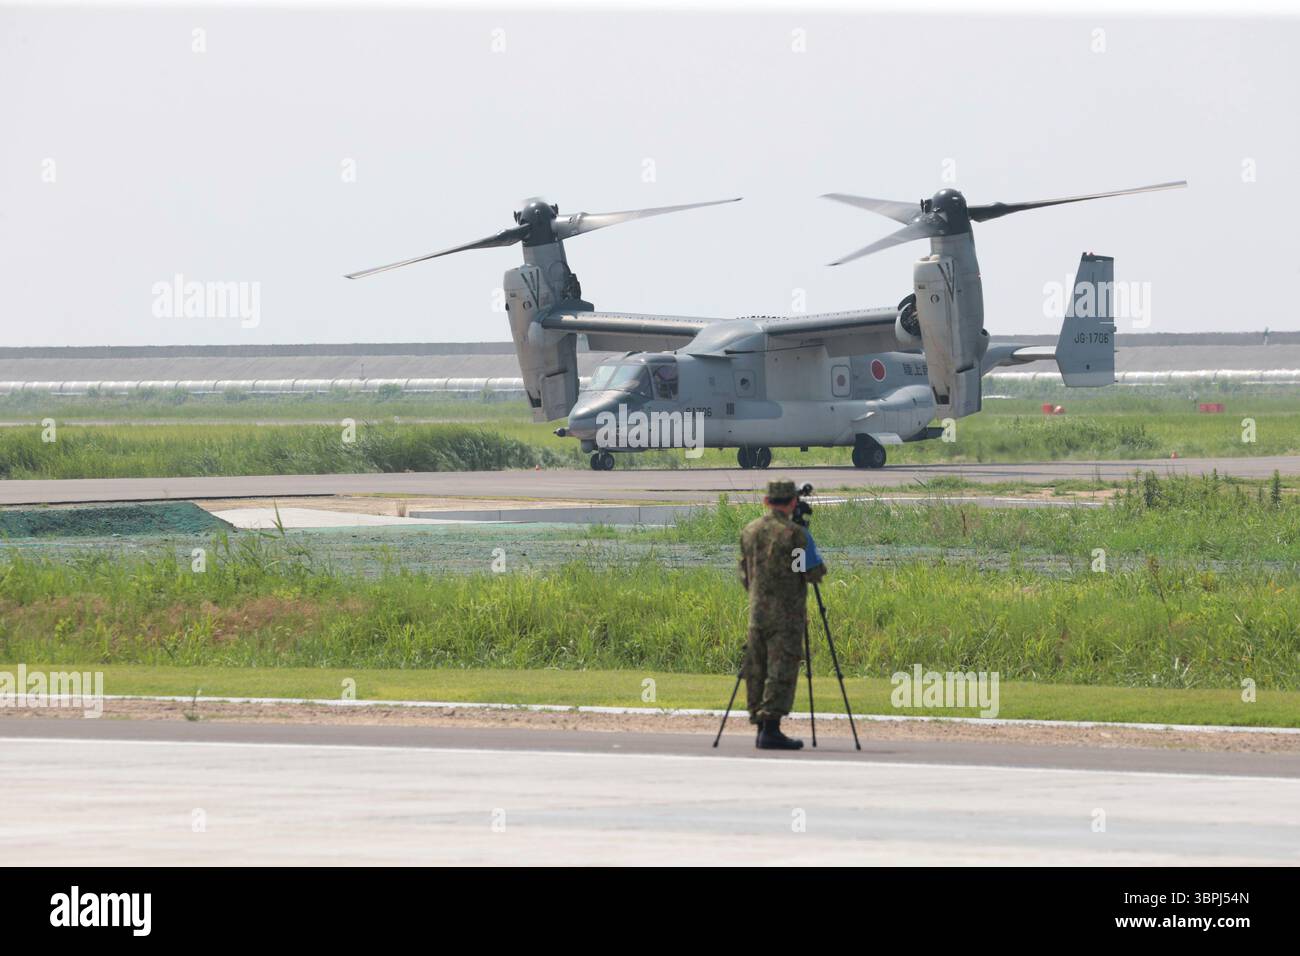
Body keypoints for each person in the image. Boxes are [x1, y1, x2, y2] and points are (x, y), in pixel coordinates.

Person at [738, 479, 827, 750]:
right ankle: (772, 727)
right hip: (786, 615)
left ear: (766, 502)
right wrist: (805, 536)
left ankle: (759, 723)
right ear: (792, 503)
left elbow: (744, 576)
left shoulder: (750, 532)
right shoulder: (794, 535)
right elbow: (811, 573)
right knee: (781, 668)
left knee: (757, 668)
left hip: (757, 614)